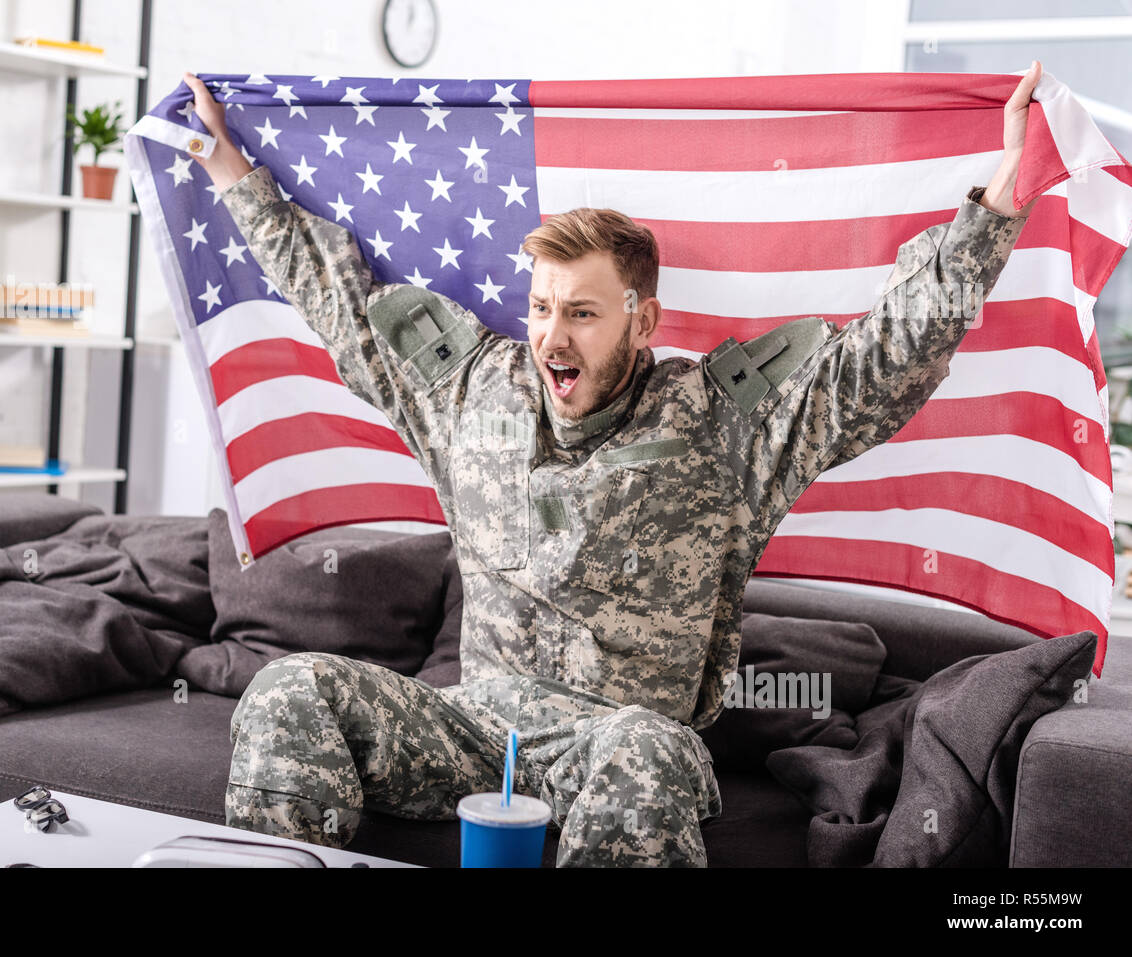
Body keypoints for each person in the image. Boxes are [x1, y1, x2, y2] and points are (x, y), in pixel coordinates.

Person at [180, 62, 1041, 867]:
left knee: (648, 753)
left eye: (583, 313)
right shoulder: (470, 389)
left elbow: (875, 366)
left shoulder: (716, 423)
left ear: (643, 320)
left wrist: (993, 211)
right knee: (291, 688)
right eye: (542, 307)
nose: (552, 335)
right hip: (470, 730)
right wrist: (233, 176)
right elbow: (342, 305)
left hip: (624, 738)